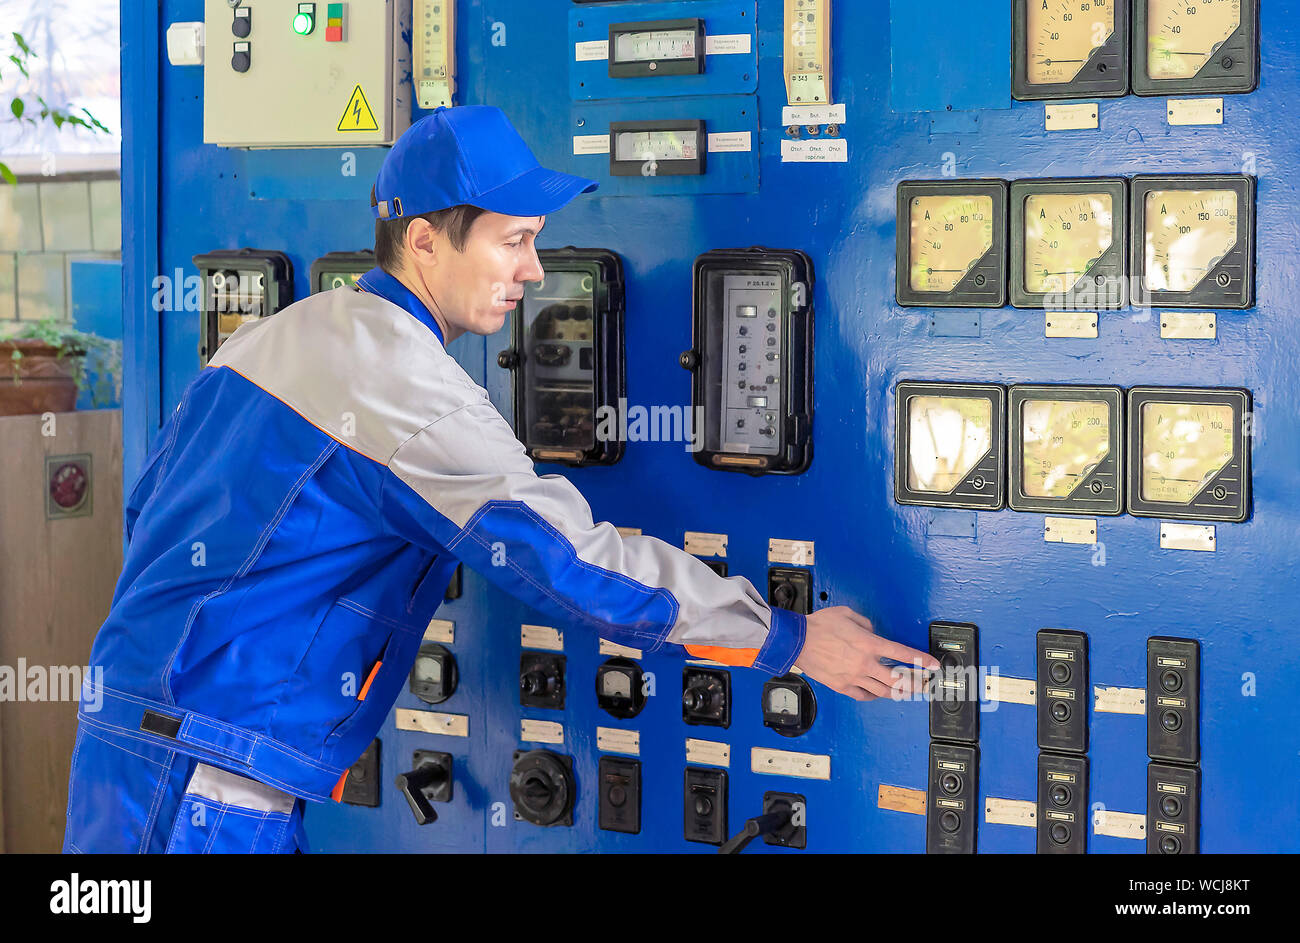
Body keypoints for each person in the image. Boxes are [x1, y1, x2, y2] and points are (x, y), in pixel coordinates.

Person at [63, 105, 936, 854]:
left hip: (143, 735)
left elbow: (150, 510)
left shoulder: (281, 335)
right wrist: (787, 639)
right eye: (512, 241)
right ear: (423, 242)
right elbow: (572, 565)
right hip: (208, 776)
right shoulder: (406, 389)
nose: (531, 268)